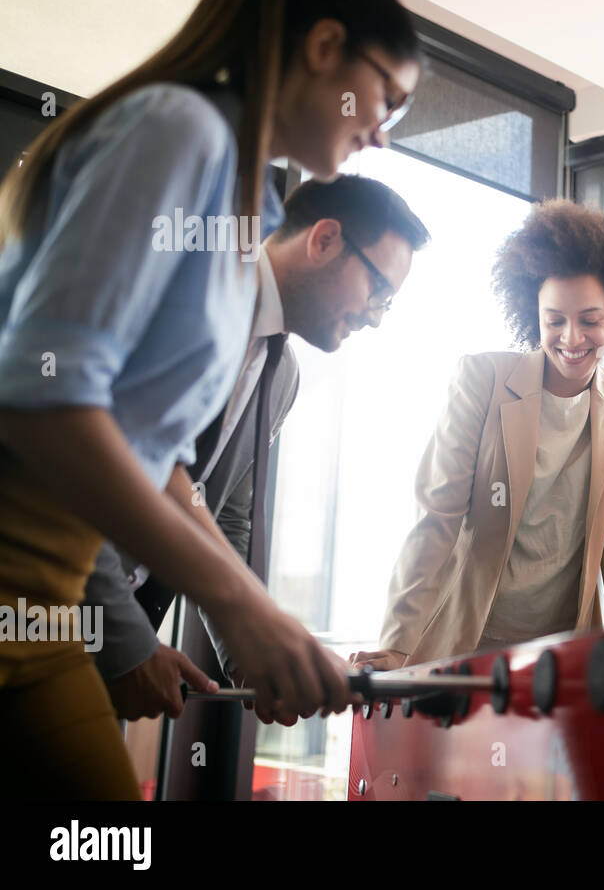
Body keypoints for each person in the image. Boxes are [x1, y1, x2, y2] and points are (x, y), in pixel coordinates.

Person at [0, 0, 421, 797]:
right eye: (388, 97)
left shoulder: (235, 200)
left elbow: (164, 466)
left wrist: (267, 622)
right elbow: (43, 393)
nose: (382, 133)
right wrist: (237, 606)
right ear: (324, 48)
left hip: (41, 604)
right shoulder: (179, 130)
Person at [85, 174, 430, 726]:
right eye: (379, 292)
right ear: (324, 240)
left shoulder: (282, 374)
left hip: (115, 639)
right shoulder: (188, 297)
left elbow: (230, 519)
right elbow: (90, 474)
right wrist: (121, 640)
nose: (374, 316)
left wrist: (252, 656)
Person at [353, 200, 604, 669]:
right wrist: (398, 642)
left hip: (559, 654)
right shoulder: (481, 379)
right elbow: (437, 516)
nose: (571, 337)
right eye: (554, 320)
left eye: (590, 320)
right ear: (534, 314)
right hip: (463, 638)